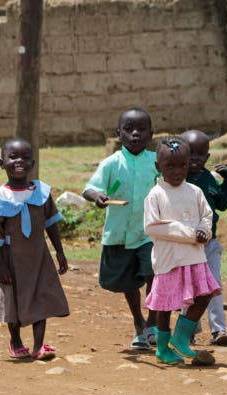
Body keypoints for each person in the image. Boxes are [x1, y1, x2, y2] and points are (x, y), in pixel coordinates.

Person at [0, 138, 69, 360]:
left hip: (39, 257)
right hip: (10, 259)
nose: (19, 161)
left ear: (32, 163)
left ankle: (39, 346)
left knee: (41, 296)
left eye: (25, 157)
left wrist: (59, 252)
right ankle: (16, 340)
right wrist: (1, 266)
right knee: (11, 300)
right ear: (2, 163)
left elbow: (51, 224)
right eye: (13, 157)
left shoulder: (41, 192)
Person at [83, 108, 158, 351]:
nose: (135, 134)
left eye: (141, 129)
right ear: (119, 134)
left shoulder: (157, 161)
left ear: (151, 134)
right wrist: (98, 195)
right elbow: (89, 188)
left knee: (154, 275)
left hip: (150, 233)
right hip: (120, 234)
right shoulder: (111, 163)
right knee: (128, 283)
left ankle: (153, 325)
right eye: (128, 129)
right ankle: (139, 322)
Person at [143, 136, 221, 365]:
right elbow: (152, 226)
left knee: (204, 295)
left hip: (194, 257)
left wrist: (204, 232)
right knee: (166, 305)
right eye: (170, 166)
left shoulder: (194, 191)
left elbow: (207, 216)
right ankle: (162, 348)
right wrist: (189, 233)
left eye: (182, 165)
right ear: (159, 166)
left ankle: (180, 338)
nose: (177, 171)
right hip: (169, 259)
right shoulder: (155, 195)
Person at [179, 130, 227, 346]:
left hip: (210, 244)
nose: (194, 159)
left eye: (200, 154)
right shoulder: (177, 179)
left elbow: (222, 203)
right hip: (187, 245)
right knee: (189, 288)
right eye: (190, 153)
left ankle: (218, 331)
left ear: (208, 158)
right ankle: (188, 330)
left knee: (214, 286)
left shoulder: (207, 178)